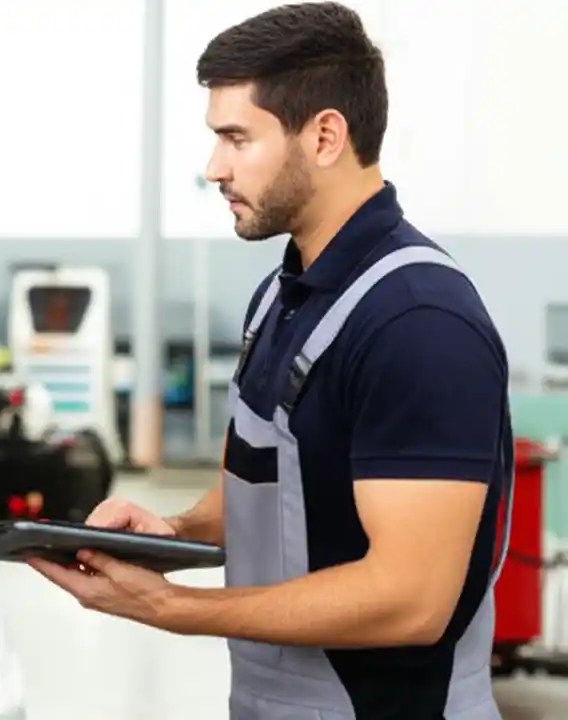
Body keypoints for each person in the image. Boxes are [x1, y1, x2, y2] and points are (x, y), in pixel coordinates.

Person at [28, 3, 510, 718]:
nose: (214, 166)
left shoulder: (418, 323)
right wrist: (174, 534)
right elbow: (267, 498)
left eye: (235, 138)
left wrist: (171, 608)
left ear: (324, 136)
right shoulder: (280, 298)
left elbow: (411, 602)